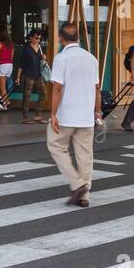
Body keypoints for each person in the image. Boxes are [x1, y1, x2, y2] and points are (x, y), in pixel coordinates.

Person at [47, 22, 102, 207]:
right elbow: (97, 89)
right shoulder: (91, 58)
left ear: (61, 39)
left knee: (56, 146)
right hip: (86, 115)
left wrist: (53, 114)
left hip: (66, 114)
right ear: (78, 37)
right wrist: (98, 113)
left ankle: (77, 184)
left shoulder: (61, 58)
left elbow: (57, 88)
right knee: (85, 156)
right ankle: (84, 195)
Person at [16, 28, 49, 124]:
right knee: (27, 96)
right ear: (31, 37)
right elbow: (21, 64)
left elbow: (41, 61)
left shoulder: (40, 47)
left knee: (43, 94)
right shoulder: (26, 48)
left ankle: (37, 115)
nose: (38, 40)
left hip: (38, 75)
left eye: (39, 38)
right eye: (36, 38)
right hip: (29, 75)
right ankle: (25, 117)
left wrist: (43, 58)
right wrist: (18, 77)